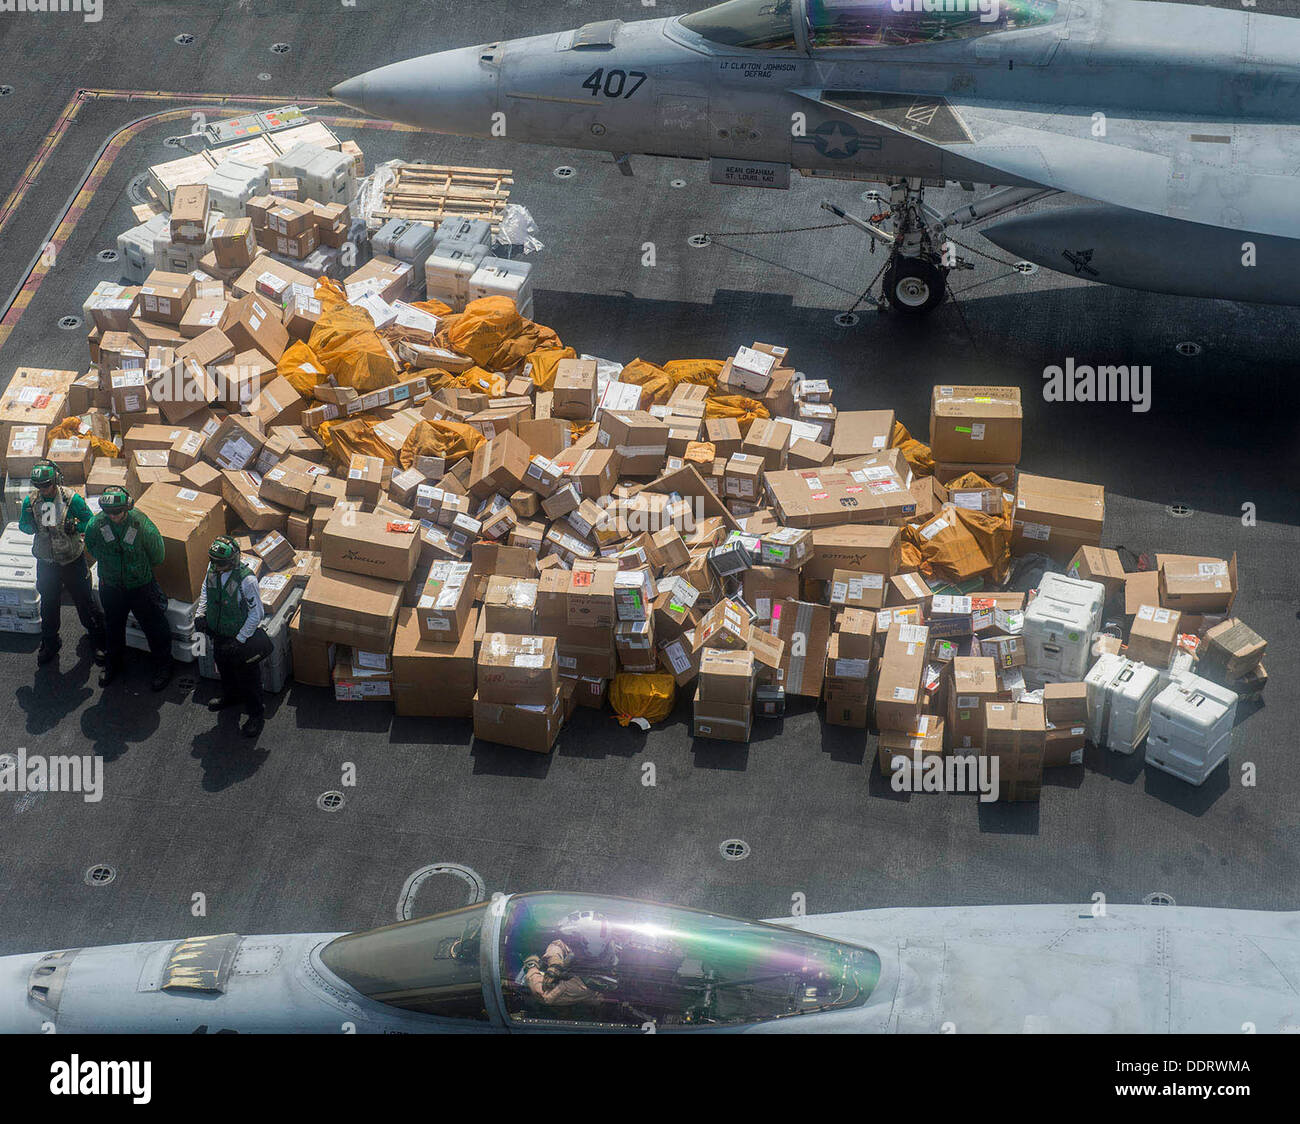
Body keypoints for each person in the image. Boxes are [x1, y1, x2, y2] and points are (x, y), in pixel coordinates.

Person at [83, 486, 174, 691]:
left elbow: (158, 555)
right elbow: (91, 546)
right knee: (113, 627)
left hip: (140, 585)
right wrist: (110, 564)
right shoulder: (96, 525)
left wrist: (136, 570)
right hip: (112, 586)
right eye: (109, 513)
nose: (114, 517)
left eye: (118, 512)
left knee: (154, 627)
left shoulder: (141, 524)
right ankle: (113, 664)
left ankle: (163, 666)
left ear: (127, 508)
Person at [18, 460, 106, 666]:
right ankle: (50, 641)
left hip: (71, 559)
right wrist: (30, 523)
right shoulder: (30, 503)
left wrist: (74, 525)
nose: (44, 490)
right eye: (39, 486)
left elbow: (90, 521)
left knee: (84, 601)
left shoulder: (71, 499)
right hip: (46, 561)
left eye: (47, 485)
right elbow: (23, 526)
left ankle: (98, 640)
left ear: (56, 481)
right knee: (48, 603)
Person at [193, 536, 266, 738]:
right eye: (213, 562)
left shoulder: (246, 580)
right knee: (224, 669)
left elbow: (256, 614)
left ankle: (256, 715)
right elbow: (206, 590)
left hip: (240, 638)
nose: (216, 567)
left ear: (232, 561)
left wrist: (240, 639)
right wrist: (201, 613)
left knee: (249, 678)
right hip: (219, 633)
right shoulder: (213, 568)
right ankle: (231, 696)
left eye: (220, 564)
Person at [521, 938, 603, 1009]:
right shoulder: (602, 949)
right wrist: (555, 965)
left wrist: (531, 968)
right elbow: (558, 944)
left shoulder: (575, 988)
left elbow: (544, 995)